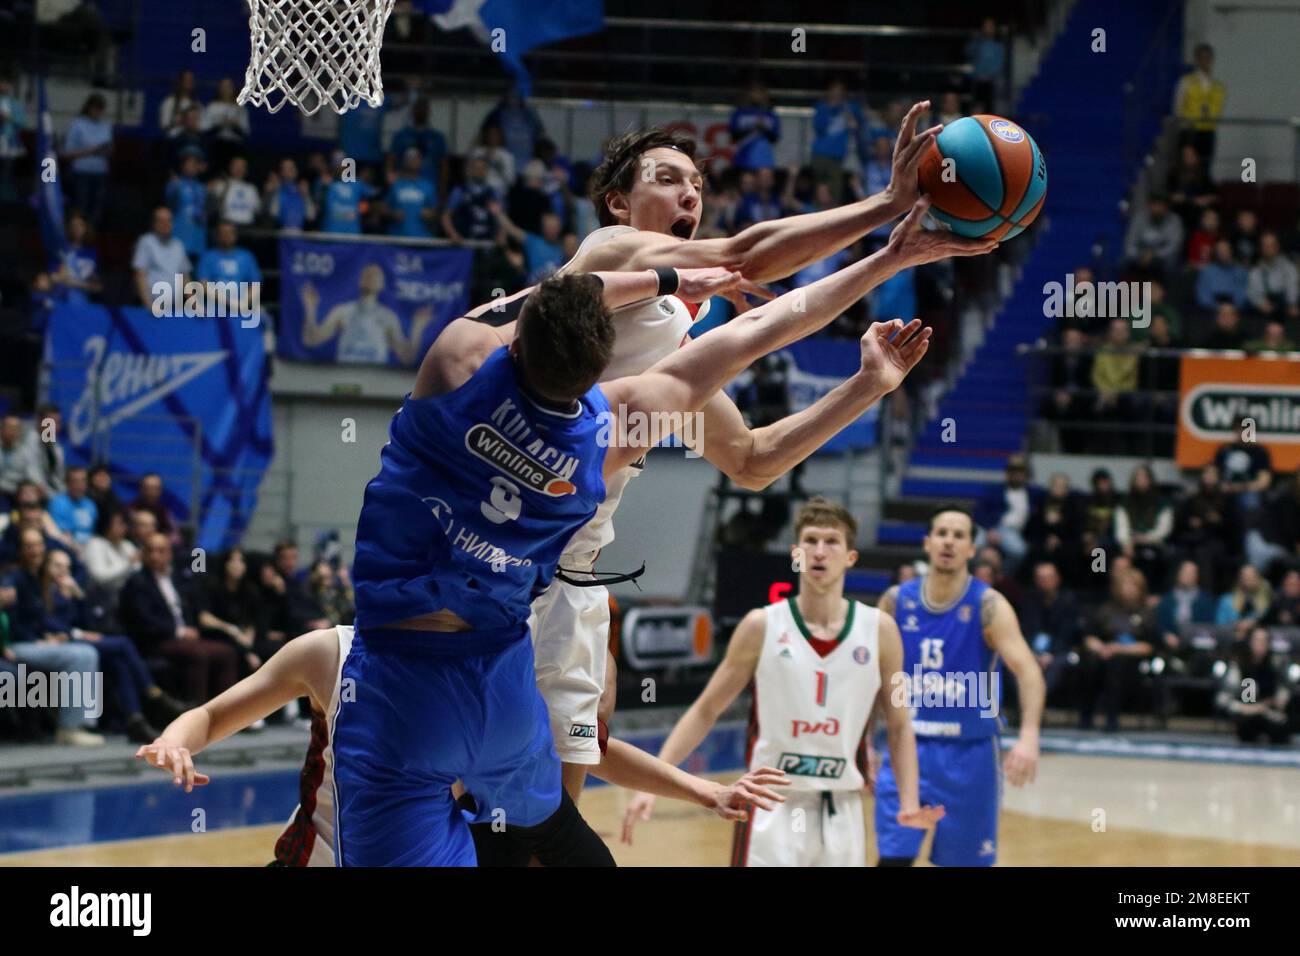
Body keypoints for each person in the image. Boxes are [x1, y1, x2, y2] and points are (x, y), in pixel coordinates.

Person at [330, 191, 990, 866]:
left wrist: (673, 278)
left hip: (402, 680)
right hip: (501, 686)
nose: (690, 197)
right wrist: (889, 260)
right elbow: (763, 329)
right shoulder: (607, 433)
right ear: (601, 371)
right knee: (547, 833)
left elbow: (569, 297)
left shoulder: (456, 360)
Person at [503, 107, 984, 814]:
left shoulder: (678, 338)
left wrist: (867, 384)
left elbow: (755, 459)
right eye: (666, 179)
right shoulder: (609, 249)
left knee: (556, 810)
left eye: (696, 184)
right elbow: (753, 262)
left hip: (574, 574)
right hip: (505, 548)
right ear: (617, 202)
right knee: (471, 782)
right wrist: (888, 207)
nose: (688, 195)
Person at [136, 625, 788, 866]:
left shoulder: (487, 675)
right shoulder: (329, 653)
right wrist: (177, 740)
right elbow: (213, 713)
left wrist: (701, 788)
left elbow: (580, 746)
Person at [623, 498, 944, 865]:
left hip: (841, 809)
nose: (819, 551)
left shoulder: (882, 631)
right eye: (810, 540)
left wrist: (907, 803)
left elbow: (901, 726)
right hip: (770, 807)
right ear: (796, 553)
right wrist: (655, 782)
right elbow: (706, 709)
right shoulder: (761, 626)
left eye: (831, 541)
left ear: (851, 557)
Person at [872, 506, 1042, 865]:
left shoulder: (988, 605)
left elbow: (1028, 672)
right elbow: (871, 676)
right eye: (942, 533)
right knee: (892, 860)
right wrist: (864, 739)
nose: (949, 541)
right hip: (907, 749)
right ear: (927, 542)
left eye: (959, 535)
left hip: (971, 755)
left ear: (970, 549)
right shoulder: (895, 601)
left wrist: (1028, 736)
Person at [32, 545, 185, 742]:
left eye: (67, 567)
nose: (63, 571)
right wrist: (76, 634)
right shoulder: (42, 590)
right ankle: (153, 693)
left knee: (119, 664)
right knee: (123, 644)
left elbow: (88, 623)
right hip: (59, 643)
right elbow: (45, 622)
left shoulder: (70, 591)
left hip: (78, 642)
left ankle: (135, 721)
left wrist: (78, 597)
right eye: (57, 566)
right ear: (46, 567)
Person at [118, 533, 240, 704]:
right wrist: (179, 631)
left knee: (226, 652)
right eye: (150, 551)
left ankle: (228, 711)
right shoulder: (137, 582)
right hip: (156, 639)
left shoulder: (177, 578)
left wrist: (191, 628)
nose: (155, 556)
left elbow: (188, 609)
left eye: (161, 551)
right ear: (143, 554)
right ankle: (196, 715)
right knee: (198, 654)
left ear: (169, 554)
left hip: (182, 637)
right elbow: (143, 620)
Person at [299, 264, 432, 365]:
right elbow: (312, 340)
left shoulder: (388, 317)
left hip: (375, 379)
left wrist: (417, 328)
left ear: (382, 284)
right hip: (345, 374)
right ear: (360, 280)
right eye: (367, 275)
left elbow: (407, 357)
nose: (371, 277)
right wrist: (310, 309)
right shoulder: (342, 311)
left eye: (376, 276)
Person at [1079, 570, 1156, 731]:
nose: (1128, 590)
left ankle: (1111, 719)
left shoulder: (1147, 613)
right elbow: (1089, 637)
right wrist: (1101, 648)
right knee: (1090, 663)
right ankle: (1086, 716)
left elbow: (1149, 646)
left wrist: (1119, 649)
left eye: (1132, 586)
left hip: (1131, 659)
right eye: (1124, 585)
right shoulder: (1106, 610)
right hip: (1103, 654)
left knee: (1116, 666)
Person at [1216, 626, 1290, 744]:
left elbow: (1284, 690)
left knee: (1282, 727)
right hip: (1247, 715)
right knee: (1247, 725)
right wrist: (1248, 708)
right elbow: (1223, 700)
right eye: (1257, 640)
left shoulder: (1275, 664)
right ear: (1250, 642)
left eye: (1265, 641)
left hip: (1269, 713)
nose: (1261, 644)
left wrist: (1279, 701)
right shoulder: (1238, 666)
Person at [62, 93, 113, 224]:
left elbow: (110, 151)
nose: (98, 111)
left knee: (97, 210)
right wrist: (92, 151)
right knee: (81, 207)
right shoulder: (77, 125)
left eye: (101, 109)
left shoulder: (105, 126)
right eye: (95, 108)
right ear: (88, 107)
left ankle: (91, 237)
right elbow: (67, 153)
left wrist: (106, 151)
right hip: (81, 173)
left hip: (101, 173)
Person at [132, 208, 192, 310]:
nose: (165, 224)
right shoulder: (146, 242)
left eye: (168, 220)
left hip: (174, 308)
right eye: (161, 221)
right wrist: (148, 304)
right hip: (151, 307)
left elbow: (185, 278)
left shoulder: (178, 245)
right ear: (154, 223)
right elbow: (140, 275)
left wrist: (194, 304)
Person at [47, 465, 97, 550]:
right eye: (75, 481)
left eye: (83, 481)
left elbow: (92, 532)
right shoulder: (58, 503)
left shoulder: (90, 505)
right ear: (67, 483)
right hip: (67, 546)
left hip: (89, 546)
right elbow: (61, 534)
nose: (80, 485)